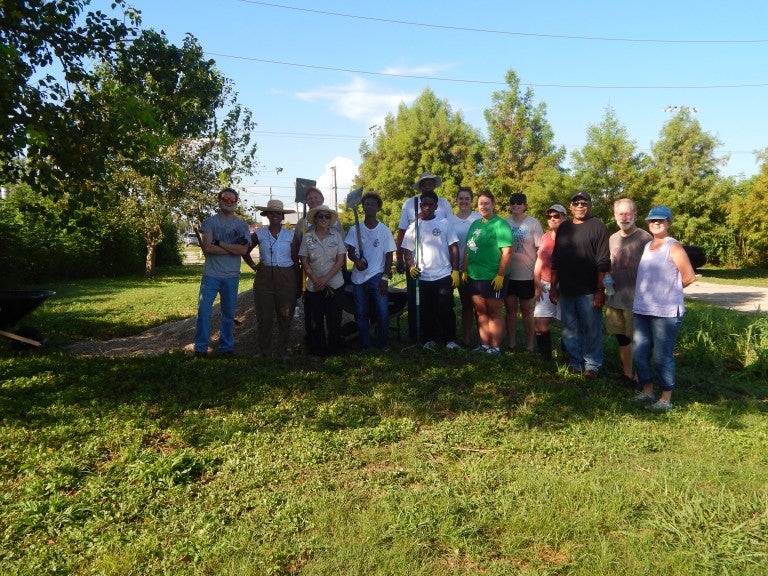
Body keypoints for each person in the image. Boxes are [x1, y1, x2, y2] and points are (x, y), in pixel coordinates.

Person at [632, 206, 696, 411]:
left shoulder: (673, 246)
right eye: (652, 220)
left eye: (660, 220)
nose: (656, 223)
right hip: (642, 308)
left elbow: (689, 277)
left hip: (666, 312)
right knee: (640, 352)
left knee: (661, 356)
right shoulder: (648, 246)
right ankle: (647, 391)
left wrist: (668, 291)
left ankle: (666, 398)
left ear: (668, 223)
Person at [550, 191, 611, 379]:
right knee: (569, 329)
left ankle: (592, 364)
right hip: (566, 289)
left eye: (584, 203)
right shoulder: (564, 227)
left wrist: (600, 290)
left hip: (589, 291)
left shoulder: (598, 226)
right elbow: (556, 259)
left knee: (591, 329)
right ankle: (575, 362)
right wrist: (554, 286)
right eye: (576, 203)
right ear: (570, 207)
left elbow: (603, 261)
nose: (580, 206)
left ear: (590, 205)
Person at [193, 188, 252, 357]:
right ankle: (200, 348)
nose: (229, 202)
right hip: (210, 275)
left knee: (228, 314)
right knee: (204, 312)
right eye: (225, 199)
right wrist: (233, 248)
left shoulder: (242, 226)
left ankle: (226, 347)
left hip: (231, 276)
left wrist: (219, 243)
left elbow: (243, 251)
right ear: (219, 200)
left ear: (236, 203)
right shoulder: (209, 222)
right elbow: (208, 247)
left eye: (232, 200)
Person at [395, 171, 453, 342]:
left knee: (443, 303)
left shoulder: (444, 204)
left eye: (430, 182)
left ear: (435, 184)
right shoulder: (410, 203)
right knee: (417, 301)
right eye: (424, 182)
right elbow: (402, 231)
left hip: (441, 265)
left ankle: (444, 336)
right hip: (416, 263)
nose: (427, 184)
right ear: (419, 186)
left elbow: (449, 231)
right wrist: (400, 258)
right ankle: (419, 336)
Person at [402, 189, 461, 350]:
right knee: (427, 310)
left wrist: (455, 271)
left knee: (446, 308)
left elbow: (454, 248)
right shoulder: (415, 226)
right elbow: (407, 251)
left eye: (430, 204)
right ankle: (430, 339)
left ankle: (450, 339)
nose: (426, 207)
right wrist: (411, 266)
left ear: (436, 206)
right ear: (420, 206)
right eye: (424, 204)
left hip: (443, 274)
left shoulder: (445, 223)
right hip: (423, 276)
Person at [606, 198, 652, 386]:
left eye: (628, 213)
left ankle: (640, 376)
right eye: (620, 214)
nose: (624, 217)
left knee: (639, 341)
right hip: (615, 297)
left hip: (637, 300)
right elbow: (611, 262)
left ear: (635, 215)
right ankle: (627, 374)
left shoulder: (645, 238)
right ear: (615, 216)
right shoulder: (613, 238)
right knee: (622, 338)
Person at [292, 186, 344, 344]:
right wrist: (313, 278)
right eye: (309, 198)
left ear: (322, 199)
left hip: (334, 279)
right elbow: (297, 249)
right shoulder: (302, 224)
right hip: (310, 276)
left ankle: (334, 345)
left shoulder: (336, 227)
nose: (323, 219)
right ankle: (314, 343)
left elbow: (341, 254)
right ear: (307, 203)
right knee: (313, 315)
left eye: (316, 197)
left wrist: (328, 277)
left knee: (334, 316)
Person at [464, 190, 513, 355]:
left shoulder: (500, 224)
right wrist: (464, 270)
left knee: (494, 312)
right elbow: (468, 249)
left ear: (493, 205)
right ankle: (484, 345)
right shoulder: (475, 224)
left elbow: (507, 252)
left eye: (486, 203)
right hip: (474, 275)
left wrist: (500, 275)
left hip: (493, 276)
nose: (483, 206)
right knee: (481, 311)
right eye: (480, 203)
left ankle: (495, 347)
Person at [345, 192, 396, 350]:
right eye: (366, 204)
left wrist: (385, 277)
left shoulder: (384, 231)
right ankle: (366, 344)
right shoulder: (355, 229)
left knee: (382, 311)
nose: (369, 206)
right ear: (363, 207)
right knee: (361, 313)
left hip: (377, 276)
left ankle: (382, 344)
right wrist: (356, 261)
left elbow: (389, 255)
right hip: (358, 278)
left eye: (373, 204)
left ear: (378, 208)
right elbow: (350, 252)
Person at [251, 199, 299, 358]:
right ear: (267, 215)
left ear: (283, 216)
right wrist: (253, 265)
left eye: (278, 213)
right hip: (264, 276)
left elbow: (295, 259)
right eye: (271, 213)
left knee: (285, 315)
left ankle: (282, 351)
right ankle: (264, 351)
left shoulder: (290, 235)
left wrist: (298, 283)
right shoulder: (259, 233)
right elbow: (245, 250)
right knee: (264, 316)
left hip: (286, 275)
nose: (275, 216)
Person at [504, 192, 543, 353]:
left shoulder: (533, 224)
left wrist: (537, 277)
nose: (516, 205)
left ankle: (529, 344)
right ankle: (511, 343)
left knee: (527, 310)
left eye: (519, 202)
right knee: (510, 309)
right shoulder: (504, 223)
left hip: (527, 274)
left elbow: (540, 251)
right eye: (513, 202)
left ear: (525, 205)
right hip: (508, 274)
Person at [533, 203, 567, 360]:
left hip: (565, 286)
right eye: (549, 216)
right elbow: (539, 261)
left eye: (557, 215)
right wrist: (537, 283)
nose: (552, 219)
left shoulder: (571, 237)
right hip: (545, 284)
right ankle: (545, 355)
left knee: (566, 323)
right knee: (539, 320)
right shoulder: (545, 237)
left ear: (565, 217)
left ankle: (567, 354)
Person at [449, 186, 481, 347]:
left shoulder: (478, 218)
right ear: (456, 200)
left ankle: (483, 339)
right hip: (458, 268)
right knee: (466, 304)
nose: (464, 201)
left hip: (476, 269)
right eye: (461, 198)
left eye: (467, 198)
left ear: (471, 200)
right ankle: (467, 338)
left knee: (479, 306)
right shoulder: (450, 220)